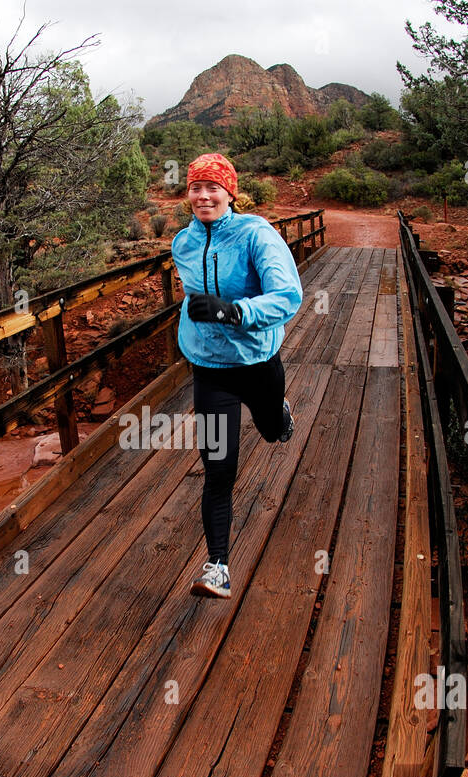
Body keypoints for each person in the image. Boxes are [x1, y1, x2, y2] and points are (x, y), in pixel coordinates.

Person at [169, 153, 302, 599]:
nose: (204, 196)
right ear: (187, 193)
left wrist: (233, 310)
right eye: (195, 187)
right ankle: (218, 567)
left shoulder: (255, 234)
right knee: (218, 469)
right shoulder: (182, 243)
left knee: (270, 432)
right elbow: (190, 293)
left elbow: (288, 296)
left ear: (230, 191)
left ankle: (277, 413)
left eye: (213, 187)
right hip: (210, 370)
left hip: (258, 363)